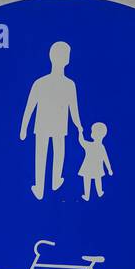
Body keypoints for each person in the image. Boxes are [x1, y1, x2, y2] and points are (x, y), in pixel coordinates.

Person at [19, 41, 82, 200]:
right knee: (56, 153)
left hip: (45, 126)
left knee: (44, 155)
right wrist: (79, 127)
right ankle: (53, 182)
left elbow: (29, 108)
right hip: (52, 127)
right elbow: (30, 107)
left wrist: (24, 129)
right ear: (66, 60)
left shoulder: (42, 83)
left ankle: (42, 187)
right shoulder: (67, 84)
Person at [77, 122, 112, 200]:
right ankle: (97, 193)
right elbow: (106, 159)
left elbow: (105, 159)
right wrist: (109, 170)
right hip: (93, 166)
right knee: (94, 179)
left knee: (90, 179)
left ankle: (93, 193)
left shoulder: (92, 145)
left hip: (90, 166)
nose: (91, 133)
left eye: (93, 131)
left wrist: (80, 132)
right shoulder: (98, 146)